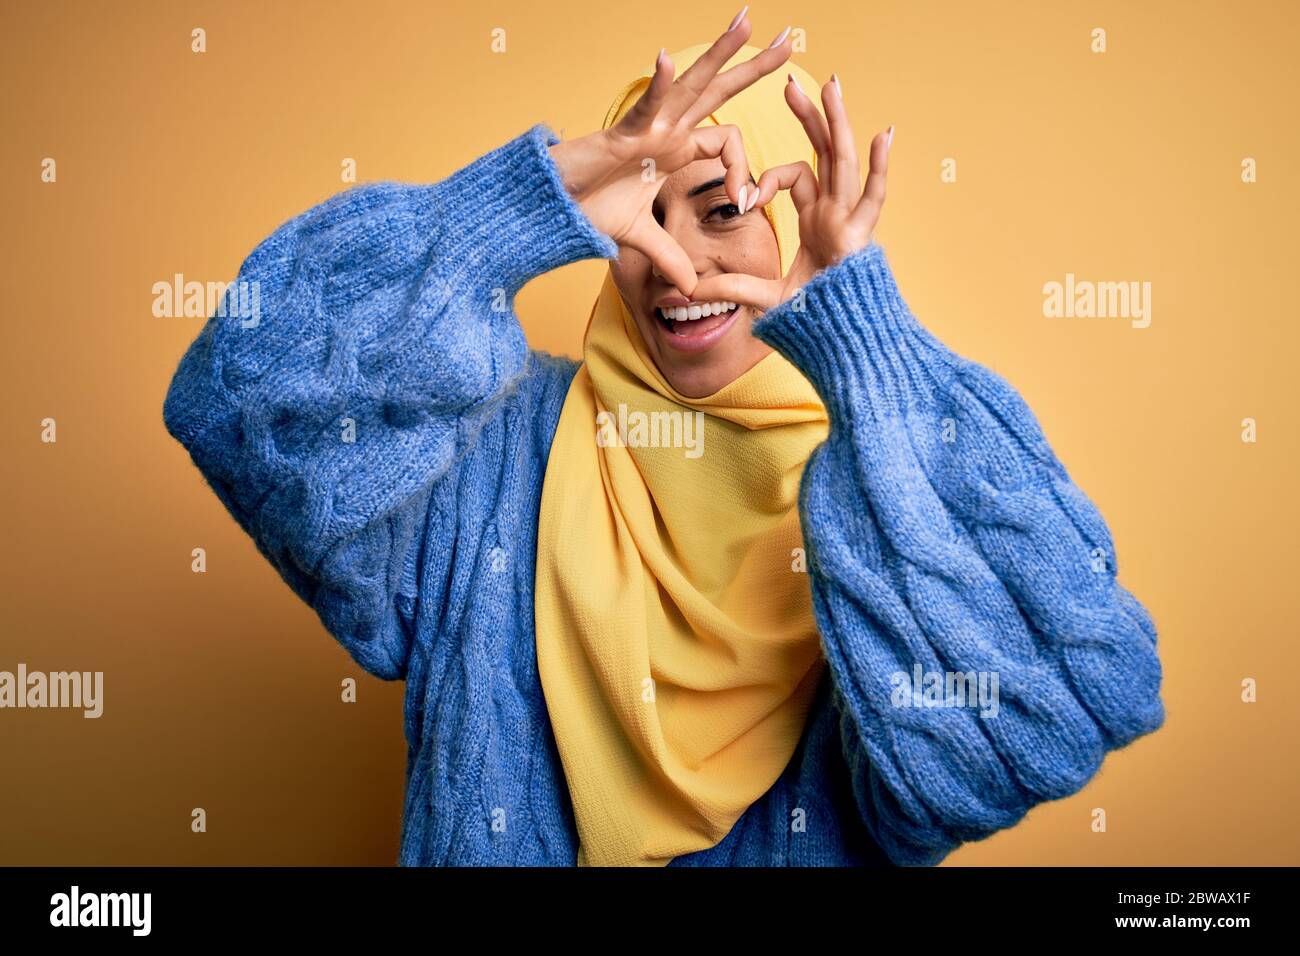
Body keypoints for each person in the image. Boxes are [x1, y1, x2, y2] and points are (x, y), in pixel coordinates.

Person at [162, 10, 1165, 867]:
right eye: (645, 211)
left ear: (801, 228)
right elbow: (239, 400)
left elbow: (1049, 717)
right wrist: (519, 210)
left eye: (725, 212)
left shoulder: (880, 492)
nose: (676, 264)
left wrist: (865, 351)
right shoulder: (498, 447)